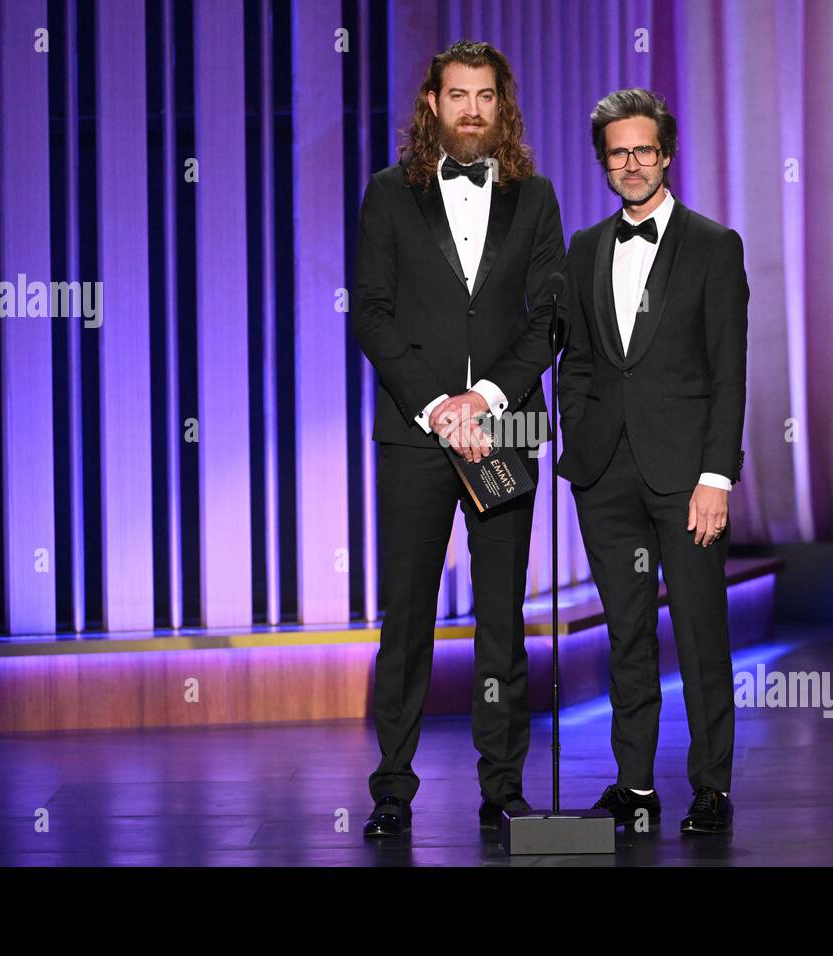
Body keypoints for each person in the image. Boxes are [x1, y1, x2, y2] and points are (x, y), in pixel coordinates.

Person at [351, 40, 567, 837]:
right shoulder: (388, 193)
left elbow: (548, 316)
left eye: (484, 96)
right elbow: (371, 311)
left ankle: (501, 787)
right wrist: (441, 405)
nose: (471, 109)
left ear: (500, 107)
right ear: (432, 105)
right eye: (457, 95)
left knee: (503, 620)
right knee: (405, 617)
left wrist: (485, 397)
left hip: (506, 424)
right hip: (416, 433)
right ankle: (392, 791)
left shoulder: (535, 198)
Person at [558, 88, 748, 834]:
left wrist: (717, 476)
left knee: (700, 631)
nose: (631, 164)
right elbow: (576, 362)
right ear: (604, 164)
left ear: (665, 154)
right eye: (617, 153)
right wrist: (579, 441)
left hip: (688, 480)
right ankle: (634, 784)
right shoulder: (584, 247)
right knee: (626, 632)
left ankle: (711, 787)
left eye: (643, 150)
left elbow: (728, 369)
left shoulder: (712, 244)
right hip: (606, 476)